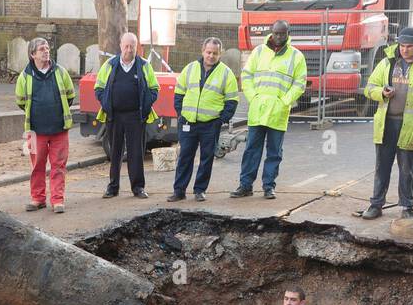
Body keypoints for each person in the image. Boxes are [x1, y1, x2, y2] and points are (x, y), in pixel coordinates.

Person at [357, 27, 413, 220]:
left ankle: (406, 206)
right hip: (387, 124)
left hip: (410, 126)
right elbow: (369, 88)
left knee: (406, 169)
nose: (405, 50)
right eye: (402, 46)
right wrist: (381, 92)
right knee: (382, 167)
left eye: (409, 46)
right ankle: (376, 204)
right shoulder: (388, 63)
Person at [232, 20, 307, 201]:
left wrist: (284, 101)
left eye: (282, 33)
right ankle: (245, 185)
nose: (279, 37)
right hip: (258, 110)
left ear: (288, 33)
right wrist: (253, 97)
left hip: (278, 112)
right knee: (251, 150)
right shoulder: (258, 52)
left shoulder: (296, 56)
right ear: (271, 32)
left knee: (274, 152)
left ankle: (268, 186)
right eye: (276, 33)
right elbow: (247, 75)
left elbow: (300, 83)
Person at [168, 38, 239, 202]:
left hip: (210, 124)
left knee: (207, 158)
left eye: (215, 53)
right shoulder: (190, 68)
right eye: (208, 52)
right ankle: (179, 191)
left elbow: (232, 100)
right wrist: (180, 114)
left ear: (220, 54)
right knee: (185, 157)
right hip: (188, 122)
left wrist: (221, 120)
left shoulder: (226, 73)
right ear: (202, 51)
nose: (211, 56)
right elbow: (179, 92)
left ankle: (200, 190)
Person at [15, 38, 77, 213]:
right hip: (35, 131)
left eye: (47, 48)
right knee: (37, 166)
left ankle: (57, 200)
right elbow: (20, 102)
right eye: (42, 49)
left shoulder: (61, 72)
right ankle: (38, 199)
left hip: (59, 129)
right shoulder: (25, 76)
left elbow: (70, 96)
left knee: (58, 166)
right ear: (32, 54)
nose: (46, 51)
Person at [95, 32, 159, 199]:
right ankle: (113, 187)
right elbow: (99, 88)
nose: (129, 50)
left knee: (136, 153)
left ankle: (138, 188)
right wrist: (106, 104)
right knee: (115, 153)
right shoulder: (110, 64)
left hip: (135, 117)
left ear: (136, 47)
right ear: (120, 45)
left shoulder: (144, 65)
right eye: (126, 46)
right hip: (114, 116)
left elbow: (154, 89)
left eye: (132, 46)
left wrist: (145, 106)